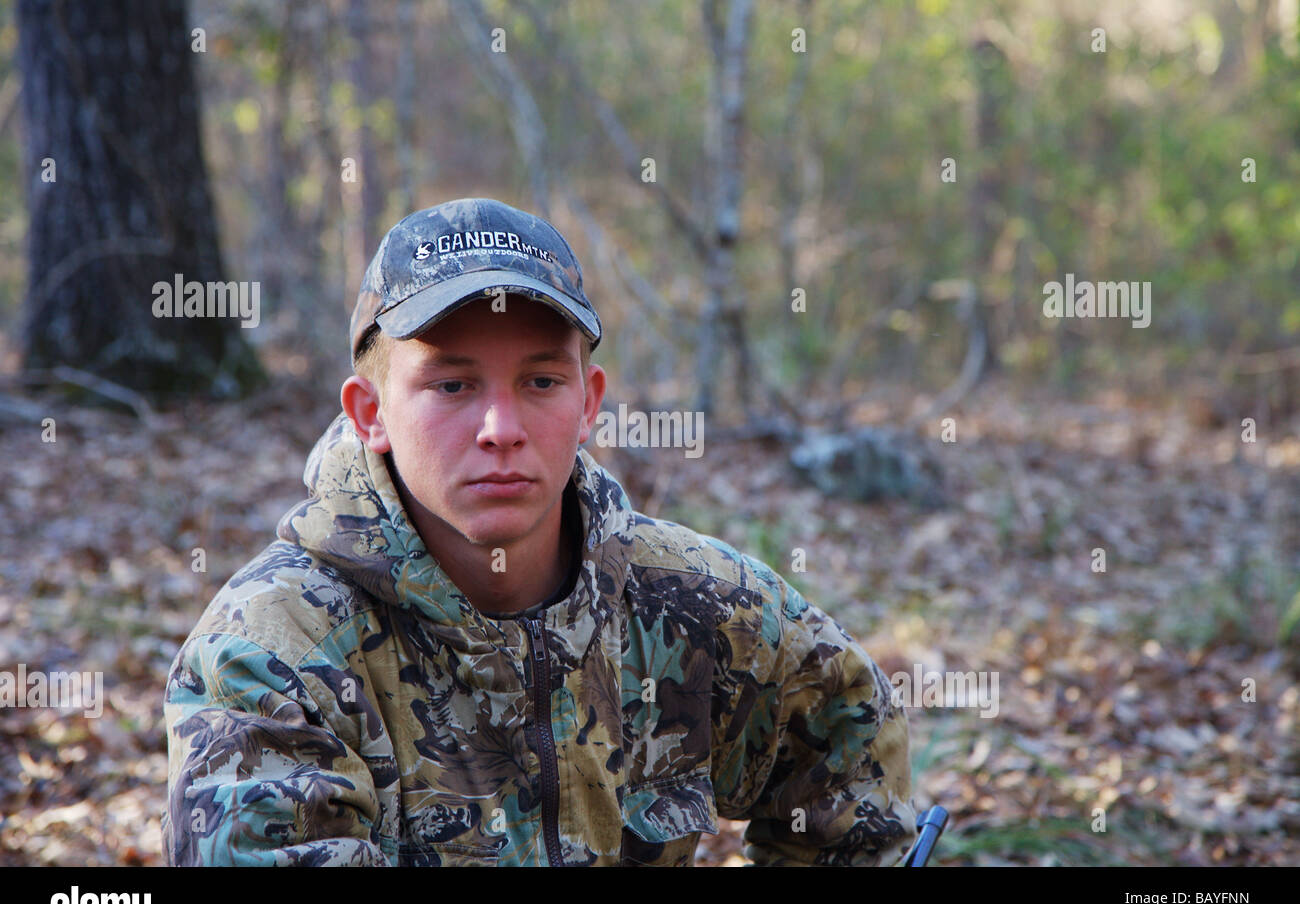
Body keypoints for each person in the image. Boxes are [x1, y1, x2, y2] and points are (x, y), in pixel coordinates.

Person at [161, 197, 917, 866]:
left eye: (541, 382)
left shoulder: (697, 603)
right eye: (452, 385)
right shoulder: (271, 653)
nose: (501, 428)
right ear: (371, 414)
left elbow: (851, 751)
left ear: (588, 404)